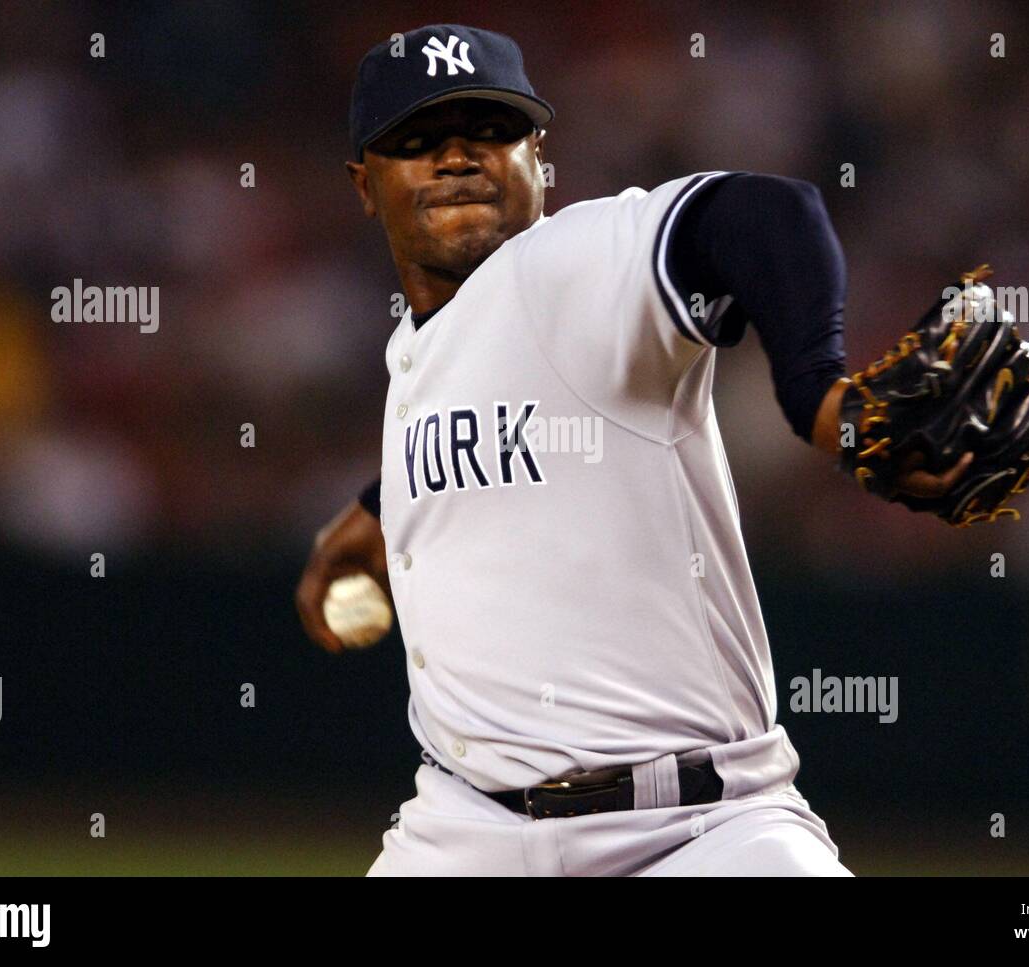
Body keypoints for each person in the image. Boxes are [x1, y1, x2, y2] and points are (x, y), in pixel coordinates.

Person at [296, 23, 969, 876]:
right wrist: (381, 507)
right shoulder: (422, 343)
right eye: (417, 141)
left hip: (700, 831)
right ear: (365, 183)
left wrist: (817, 390)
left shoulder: (566, 264)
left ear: (539, 156)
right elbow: (514, 417)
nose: (457, 156)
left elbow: (762, 214)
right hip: (466, 828)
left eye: (489, 130)